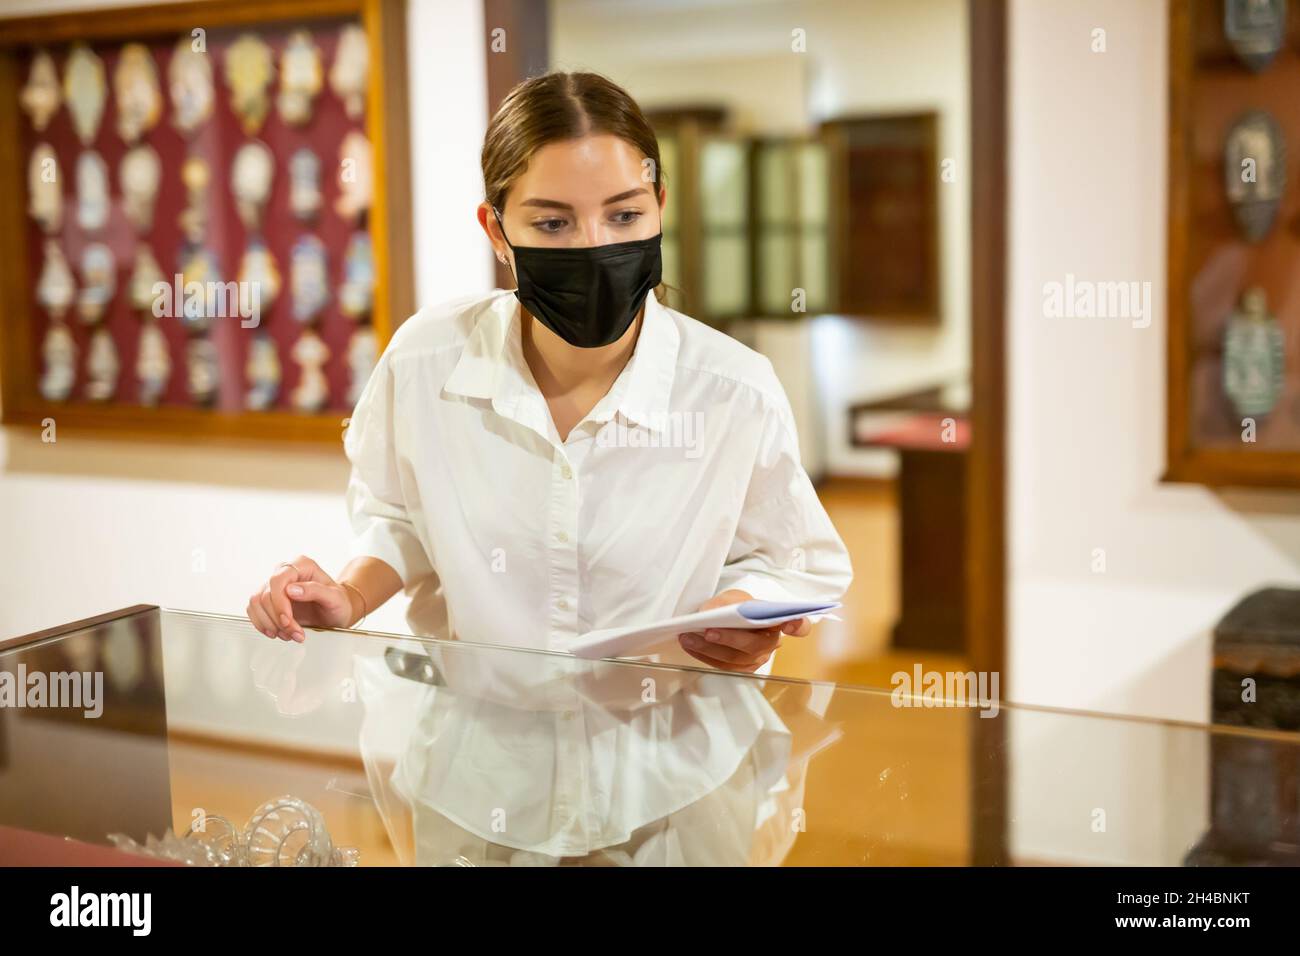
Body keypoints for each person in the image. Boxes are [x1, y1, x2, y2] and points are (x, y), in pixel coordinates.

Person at [247, 71, 852, 863]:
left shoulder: (732, 388)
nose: (595, 247)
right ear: (496, 229)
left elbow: (794, 559)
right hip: (481, 775)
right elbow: (398, 515)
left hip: (673, 779)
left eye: (624, 215)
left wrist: (749, 615)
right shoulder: (428, 361)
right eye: (554, 222)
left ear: (661, 207)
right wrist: (350, 595)